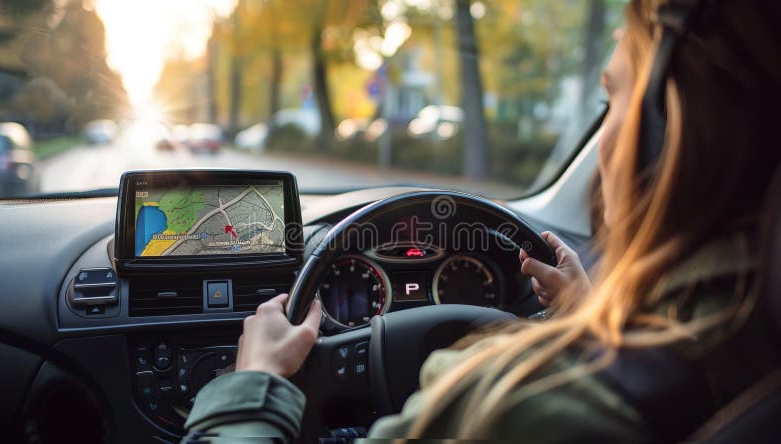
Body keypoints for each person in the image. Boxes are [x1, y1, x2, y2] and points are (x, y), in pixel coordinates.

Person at [182, 0, 781, 441]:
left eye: (613, 97)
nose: (608, 137)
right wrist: (596, 322)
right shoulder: (743, 350)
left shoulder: (518, 407)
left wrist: (255, 384)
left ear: (663, 132)